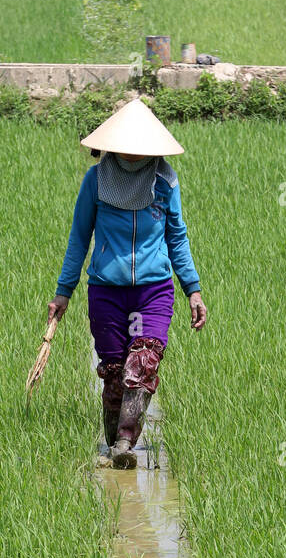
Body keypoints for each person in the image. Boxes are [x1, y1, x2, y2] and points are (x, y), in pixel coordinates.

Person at [48, 99, 206, 468]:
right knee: (116, 371)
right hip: (106, 289)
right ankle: (114, 440)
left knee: (144, 362)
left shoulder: (165, 180)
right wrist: (63, 292)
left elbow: (177, 236)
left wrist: (192, 289)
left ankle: (125, 441)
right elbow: (79, 237)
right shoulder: (97, 180)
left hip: (153, 289)